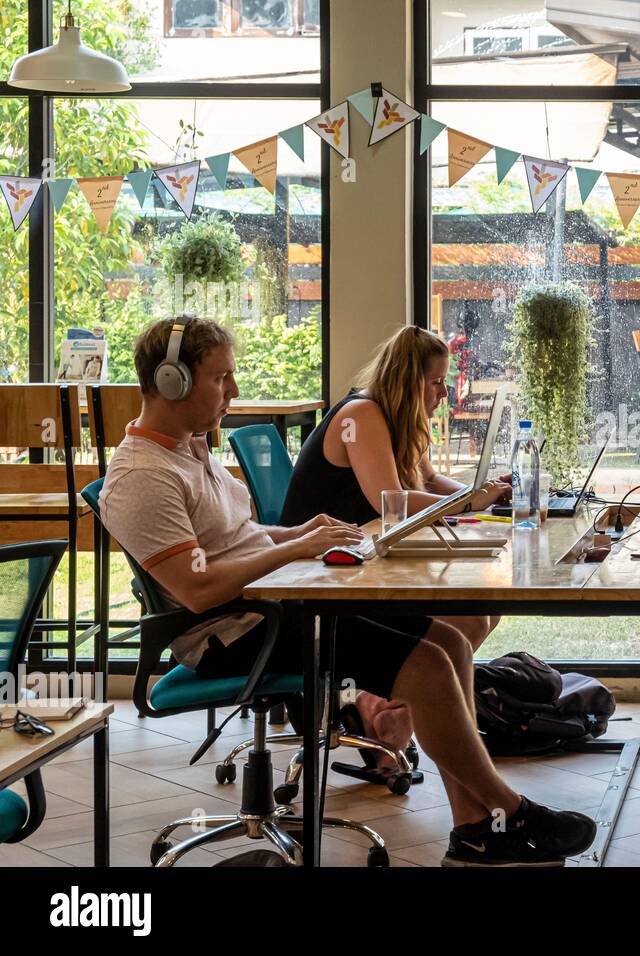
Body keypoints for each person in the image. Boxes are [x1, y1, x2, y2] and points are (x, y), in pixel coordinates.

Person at [99, 316, 595, 866]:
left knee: (449, 644)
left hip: (271, 604)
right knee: (428, 666)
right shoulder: (142, 475)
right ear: (174, 382)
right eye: (222, 379)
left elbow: (239, 539)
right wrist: (292, 551)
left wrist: (301, 534)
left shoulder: (190, 451)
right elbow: (196, 590)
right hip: (234, 632)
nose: (233, 392)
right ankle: (512, 810)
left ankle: (476, 829)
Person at [281, 325, 507, 652]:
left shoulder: (396, 418)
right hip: (324, 572)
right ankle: (394, 694)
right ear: (408, 382)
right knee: (470, 617)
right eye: (436, 382)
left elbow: (428, 479)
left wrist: (482, 491)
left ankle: (412, 695)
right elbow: (390, 501)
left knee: (485, 607)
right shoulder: (361, 414)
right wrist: (470, 502)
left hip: (364, 556)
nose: (444, 394)